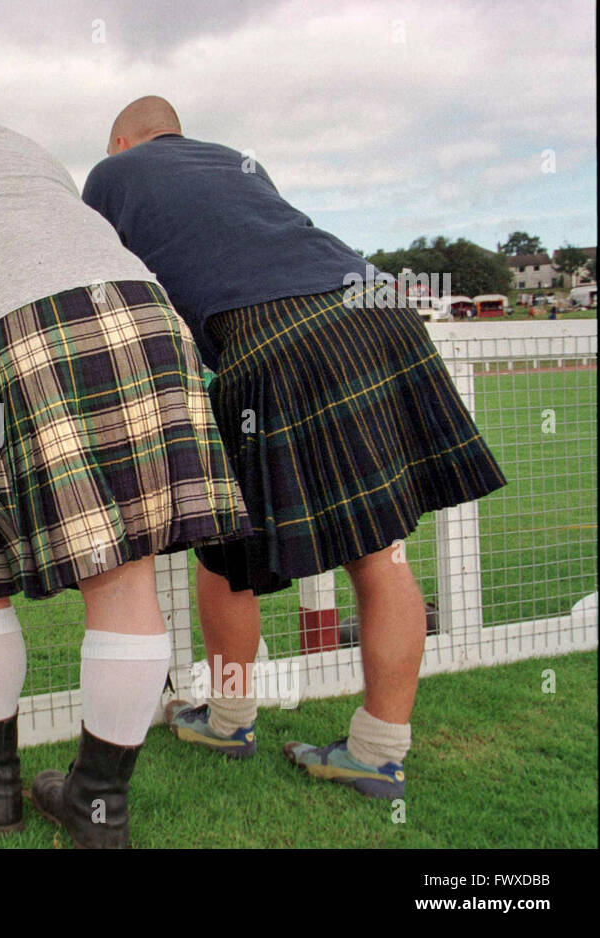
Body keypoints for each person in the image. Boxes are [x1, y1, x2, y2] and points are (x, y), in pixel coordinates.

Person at [0, 82, 249, 847]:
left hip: (2, 340)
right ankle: (98, 806)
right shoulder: (29, 152)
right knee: (124, 572)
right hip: (147, 318)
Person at [83, 96, 508, 799]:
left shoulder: (111, 174)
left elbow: (113, 280)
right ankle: (377, 751)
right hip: (378, 306)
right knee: (381, 548)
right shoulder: (232, 160)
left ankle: (229, 719)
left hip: (276, 334)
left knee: (228, 549)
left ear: (122, 141)